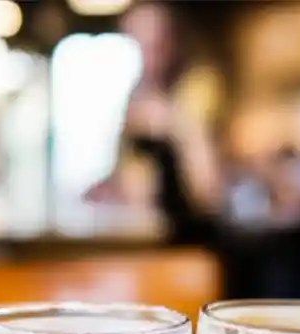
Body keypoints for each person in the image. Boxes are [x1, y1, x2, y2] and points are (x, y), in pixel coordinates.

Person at [84, 1, 221, 239]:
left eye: (154, 44)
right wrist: (107, 186)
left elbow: (208, 193)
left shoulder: (200, 87)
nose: (146, 56)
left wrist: (174, 124)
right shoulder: (137, 94)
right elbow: (133, 174)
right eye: (137, 43)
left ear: (174, 40)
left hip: (192, 242)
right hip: (148, 237)